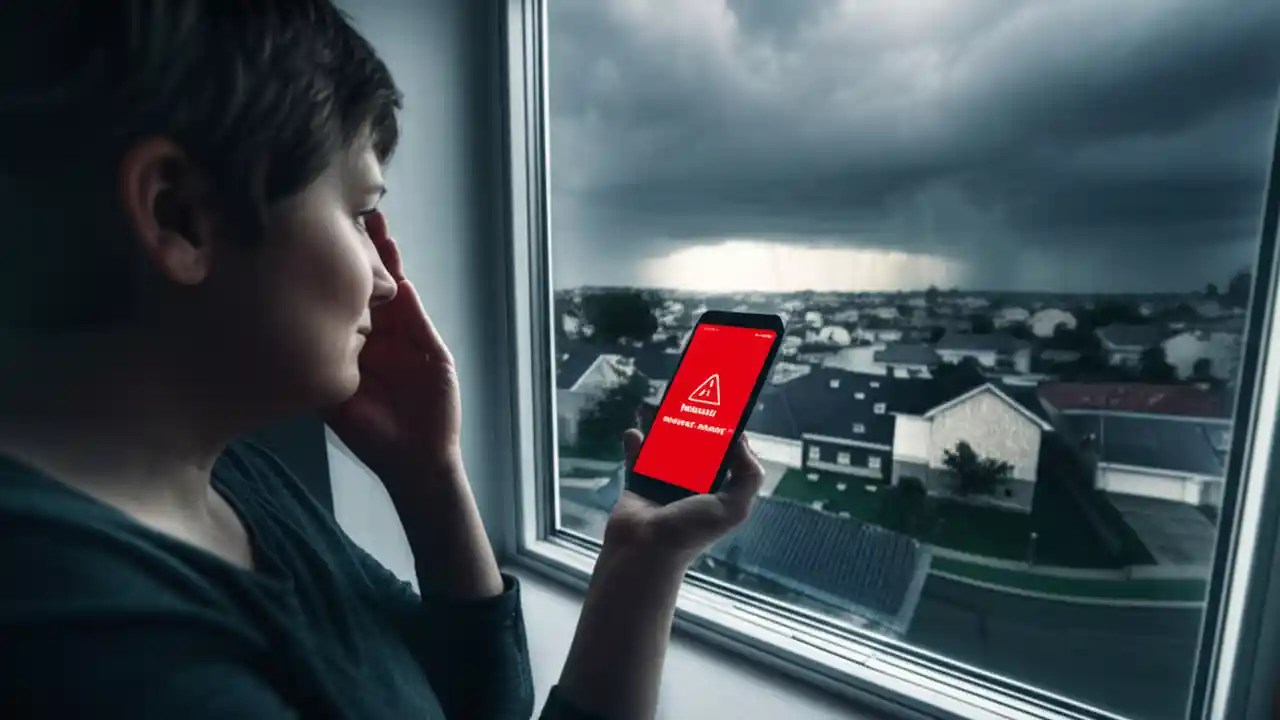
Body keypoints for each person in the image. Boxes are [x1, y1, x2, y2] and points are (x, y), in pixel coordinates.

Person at [0, 2, 764, 718]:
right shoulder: (104, 651)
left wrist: (433, 476)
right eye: (361, 213)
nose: (386, 278)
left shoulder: (232, 479)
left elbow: (479, 709)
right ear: (180, 216)